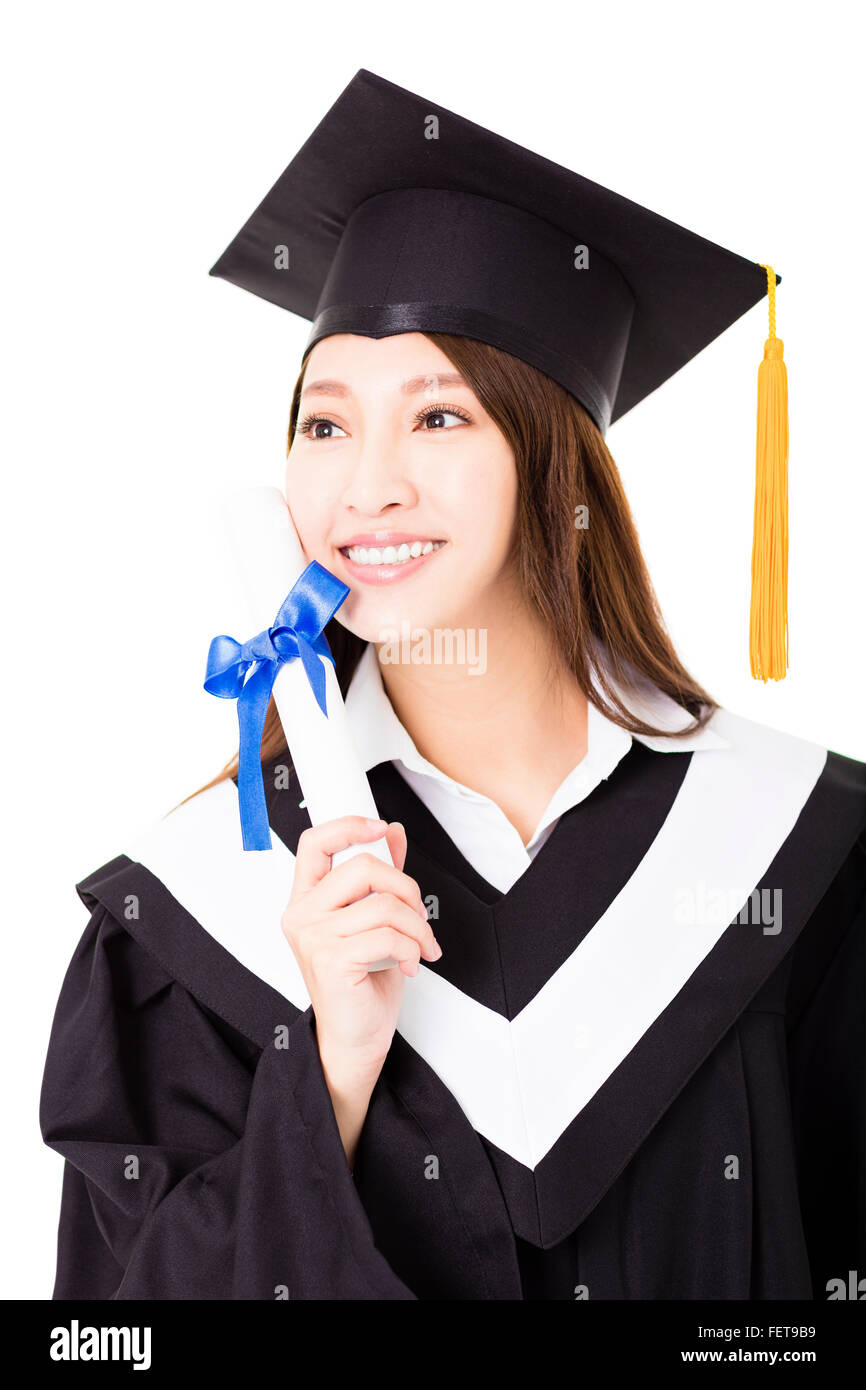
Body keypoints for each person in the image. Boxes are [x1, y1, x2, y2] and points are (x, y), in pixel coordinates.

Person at [40, 70, 865, 1301]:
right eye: (325, 426)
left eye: (437, 418)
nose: (364, 487)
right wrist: (323, 1074)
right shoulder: (199, 908)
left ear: (553, 463)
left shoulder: (793, 847)